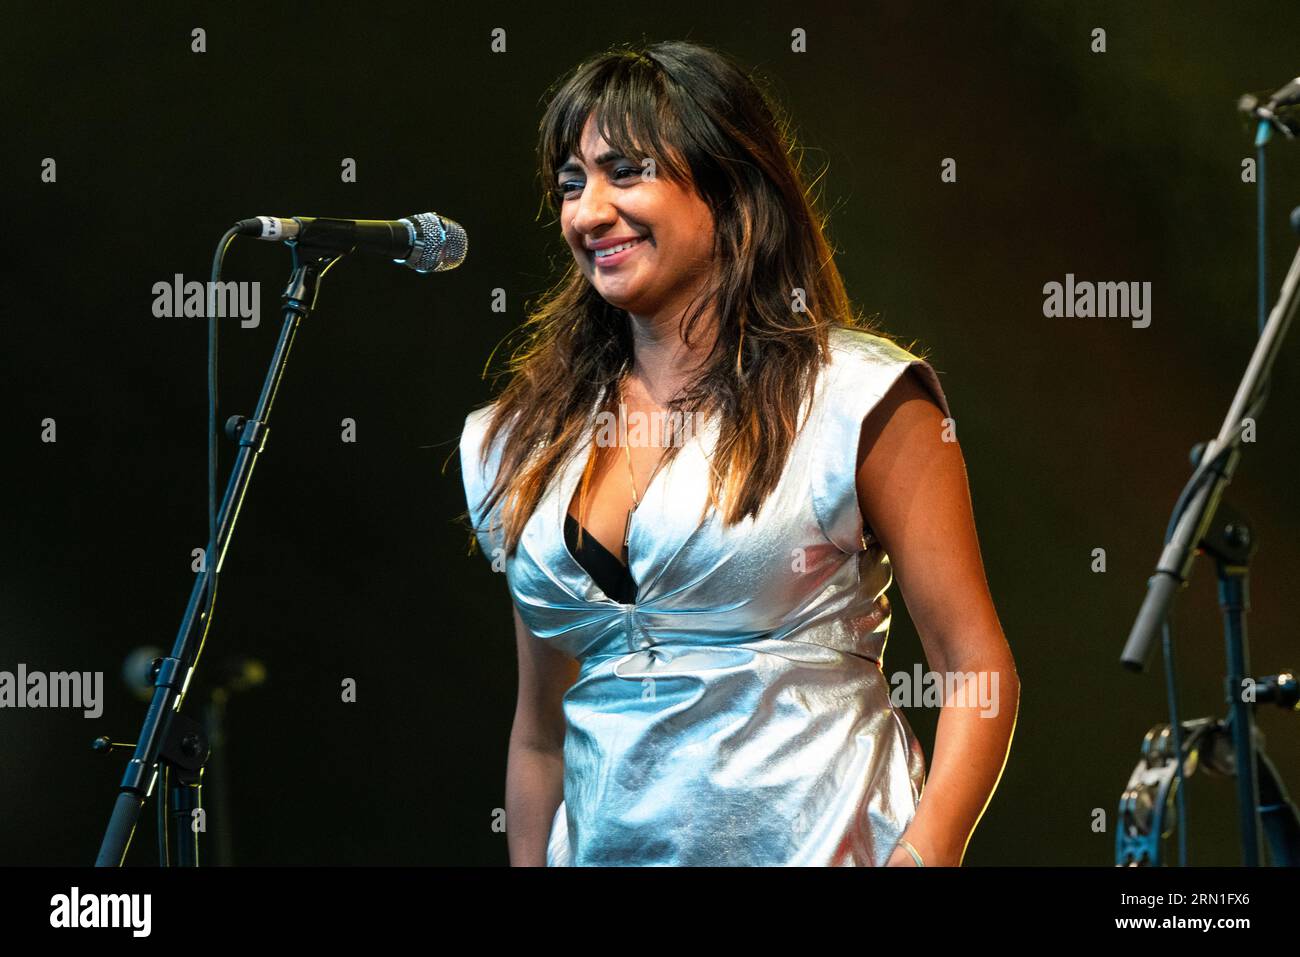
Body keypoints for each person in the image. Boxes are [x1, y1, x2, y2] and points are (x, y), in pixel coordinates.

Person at [459, 40, 1018, 866]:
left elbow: (974, 664)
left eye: (626, 171)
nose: (587, 211)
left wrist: (923, 854)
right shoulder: (522, 439)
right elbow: (541, 731)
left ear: (728, 190)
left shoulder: (856, 398)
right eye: (572, 184)